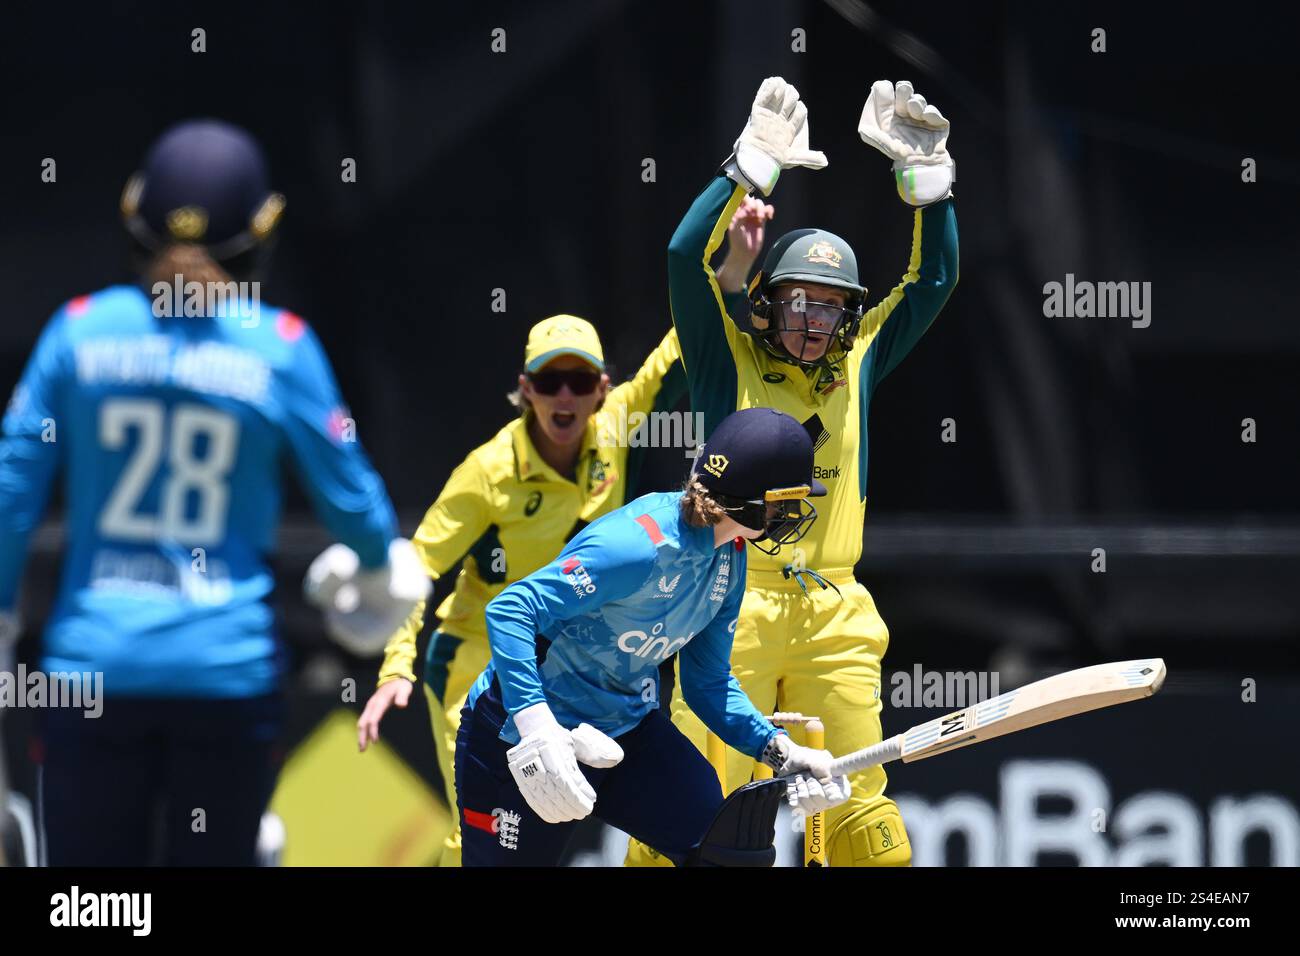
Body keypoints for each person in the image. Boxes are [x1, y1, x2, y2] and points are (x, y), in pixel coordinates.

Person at [0, 119, 425, 865]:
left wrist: (2, 612)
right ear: (258, 232)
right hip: (224, 674)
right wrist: (369, 567)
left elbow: (11, 491)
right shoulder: (278, 347)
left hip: (91, 669)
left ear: (138, 221)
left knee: (90, 909)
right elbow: (358, 510)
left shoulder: (79, 332)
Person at [626, 77, 959, 867]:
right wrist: (747, 168)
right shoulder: (725, 360)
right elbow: (684, 255)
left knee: (870, 837)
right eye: (797, 303)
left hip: (837, 616)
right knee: (694, 822)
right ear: (767, 304)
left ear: (849, 315)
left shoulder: (865, 357)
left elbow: (933, 281)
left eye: (829, 307)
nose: (812, 322)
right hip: (729, 605)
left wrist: (929, 188)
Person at [456, 406, 849, 866]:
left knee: (728, 852)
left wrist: (779, 750)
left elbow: (708, 683)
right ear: (753, 500)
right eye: (787, 499)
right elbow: (511, 609)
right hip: (518, 737)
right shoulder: (637, 546)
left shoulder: (730, 557)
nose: (795, 512)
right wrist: (537, 726)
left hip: (624, 728)